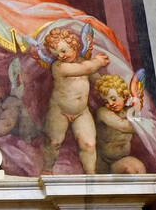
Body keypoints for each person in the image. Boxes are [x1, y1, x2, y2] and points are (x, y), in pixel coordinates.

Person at [40, 26, 109, 174]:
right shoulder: (59, 67)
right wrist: (97, 62)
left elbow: (98, 81)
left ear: (74, 45)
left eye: (63, 50)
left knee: (89, 144)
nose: (61, 56)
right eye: (56, 54)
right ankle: (47, 170)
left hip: (81, 112)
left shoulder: (83, 62)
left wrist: (108, 90)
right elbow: (86, 69)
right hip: (60, 111)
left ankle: (91, 175)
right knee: (54, 142)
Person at [92, 73, 146, 174]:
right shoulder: (103, 113)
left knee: (138, 169)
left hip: (122, 158)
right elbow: (123, 126)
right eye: (106, 101)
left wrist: (136, 109)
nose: (110, 103)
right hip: (104, 161)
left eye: (113, 99)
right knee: (128, 170)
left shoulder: (129, 111)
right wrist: (140, 124)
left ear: (123, 95)